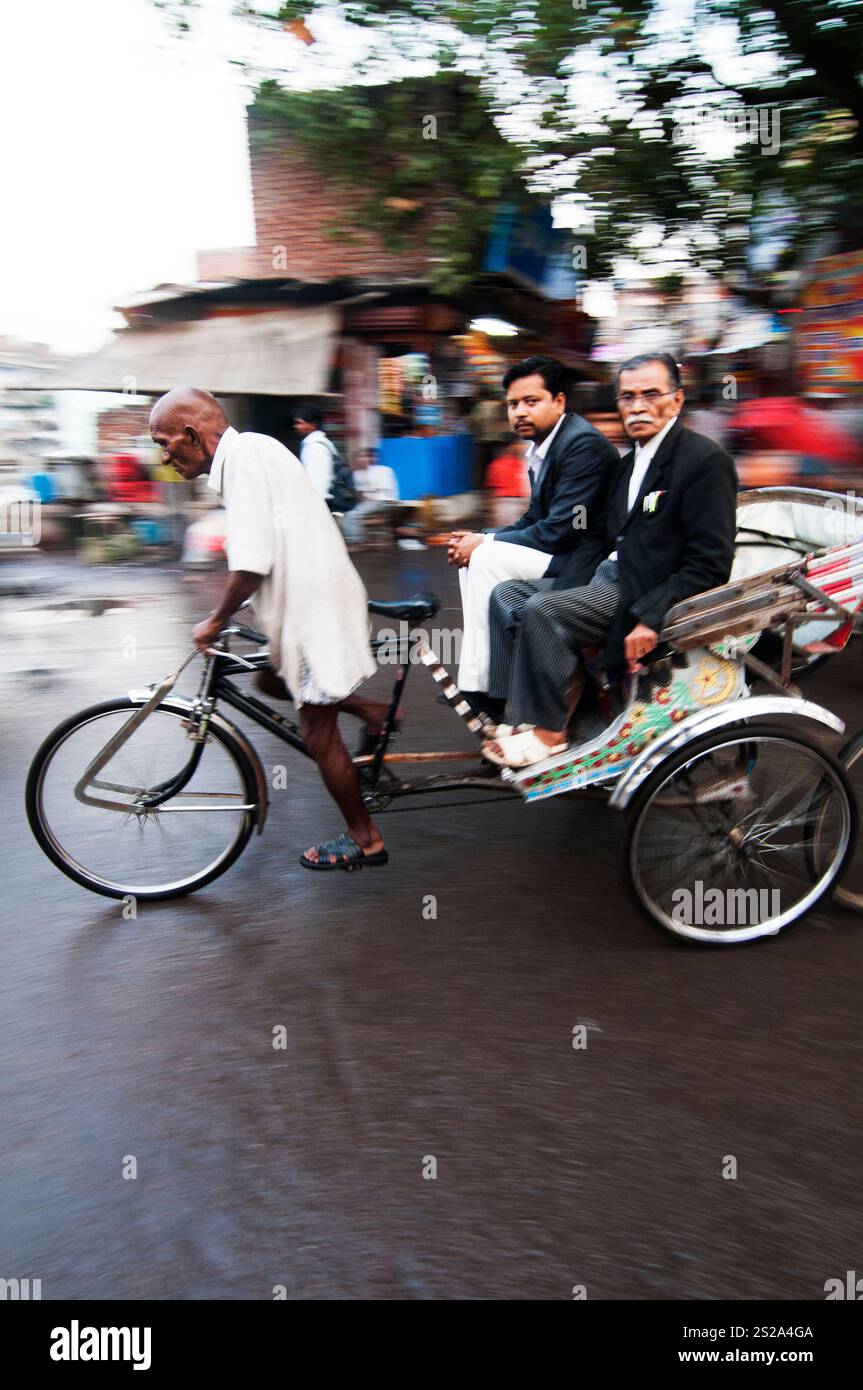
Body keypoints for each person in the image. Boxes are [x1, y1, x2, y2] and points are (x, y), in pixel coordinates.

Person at [149, 387, 391, 870]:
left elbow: (251, 564)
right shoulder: (252, 451)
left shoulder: (243, 460)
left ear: (192, 435)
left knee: (318, 733)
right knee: (266, 677)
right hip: (311, 604)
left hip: (313, 612)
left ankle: (364, 839)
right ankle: (373, 712)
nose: (163, 454)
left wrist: (216, 620)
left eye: (164, 441)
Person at [483, 353, 738, 769]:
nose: (637, 406)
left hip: (640, 591)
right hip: (604, 579)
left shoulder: (704, 461)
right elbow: (597, 537)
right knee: (509, 595)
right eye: (627, 397)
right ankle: (518, 713)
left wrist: (650, 617)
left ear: (676, 401)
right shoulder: (626, 466)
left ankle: (550, 735)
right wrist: (567, 588)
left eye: (651, 395)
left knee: (543, 611)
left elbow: (710, 562)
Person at [448, 355, 619, 709]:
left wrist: (486, 542)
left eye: (531, 401)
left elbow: (559, 530)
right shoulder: (545, 447)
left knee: (484, 556)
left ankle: (487, 688)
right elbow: (533, 519)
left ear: (559, 401)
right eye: (513, 404)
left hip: (584, 563)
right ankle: (483, 677)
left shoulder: (580, 445)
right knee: (474, 555)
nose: (520, 412)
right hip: (562, 550)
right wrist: (481, 535)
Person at [341, 448, 400, 547]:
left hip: (385, 501)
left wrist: (364, 495)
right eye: (364, 457)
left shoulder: (384, 470)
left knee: (352, 514)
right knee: (345, 511)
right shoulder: (357, 473)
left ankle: (354, 541)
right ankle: (354, 537)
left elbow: (380, 492)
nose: (367, 459)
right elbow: (359, 493)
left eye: (369, 457)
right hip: (370, 502)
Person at [293, 402, 336, 501]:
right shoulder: (318, 443)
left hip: (320, 504)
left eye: (299, 423)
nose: (296, 427)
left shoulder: (315, 447)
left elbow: (319, 483)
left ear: (312, 425)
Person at [485, 439, 529, 528]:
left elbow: (492, 489)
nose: (522, 448)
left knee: (504, 532)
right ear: (511, 446)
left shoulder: (520, 464)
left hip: (510, 503)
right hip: (507, 502)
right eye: (518, 445)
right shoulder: (499, 464)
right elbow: (493, 488)